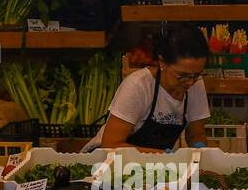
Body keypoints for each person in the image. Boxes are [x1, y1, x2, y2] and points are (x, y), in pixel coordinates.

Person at [85, 24, 211, 152]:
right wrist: (164, 157)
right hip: (105, 160)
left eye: (197, 75)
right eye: (182, 76)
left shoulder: (195, 83)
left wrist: (200, 153)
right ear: (162, 62)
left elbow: (196, 134)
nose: (190, 82)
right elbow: (110, 144)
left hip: (151, 165)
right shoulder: (138, 86)